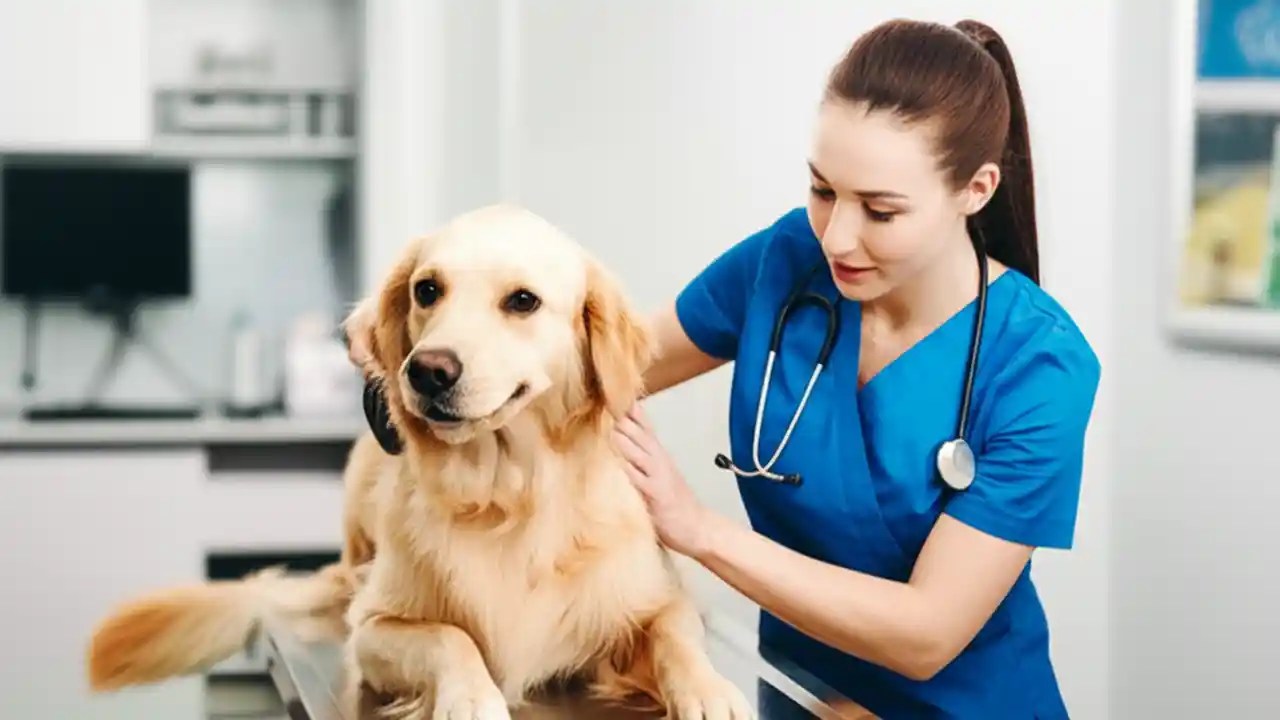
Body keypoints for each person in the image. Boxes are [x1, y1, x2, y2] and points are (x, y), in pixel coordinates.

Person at [610, 17, 1101, 720]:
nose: (837, 235)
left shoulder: (1039, 366)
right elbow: (604, 368)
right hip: (801, 696)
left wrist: (698, 529)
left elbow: (928, 633)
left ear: (976, 189)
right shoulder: (784, 263)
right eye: (822, 190)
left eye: (881, 210)